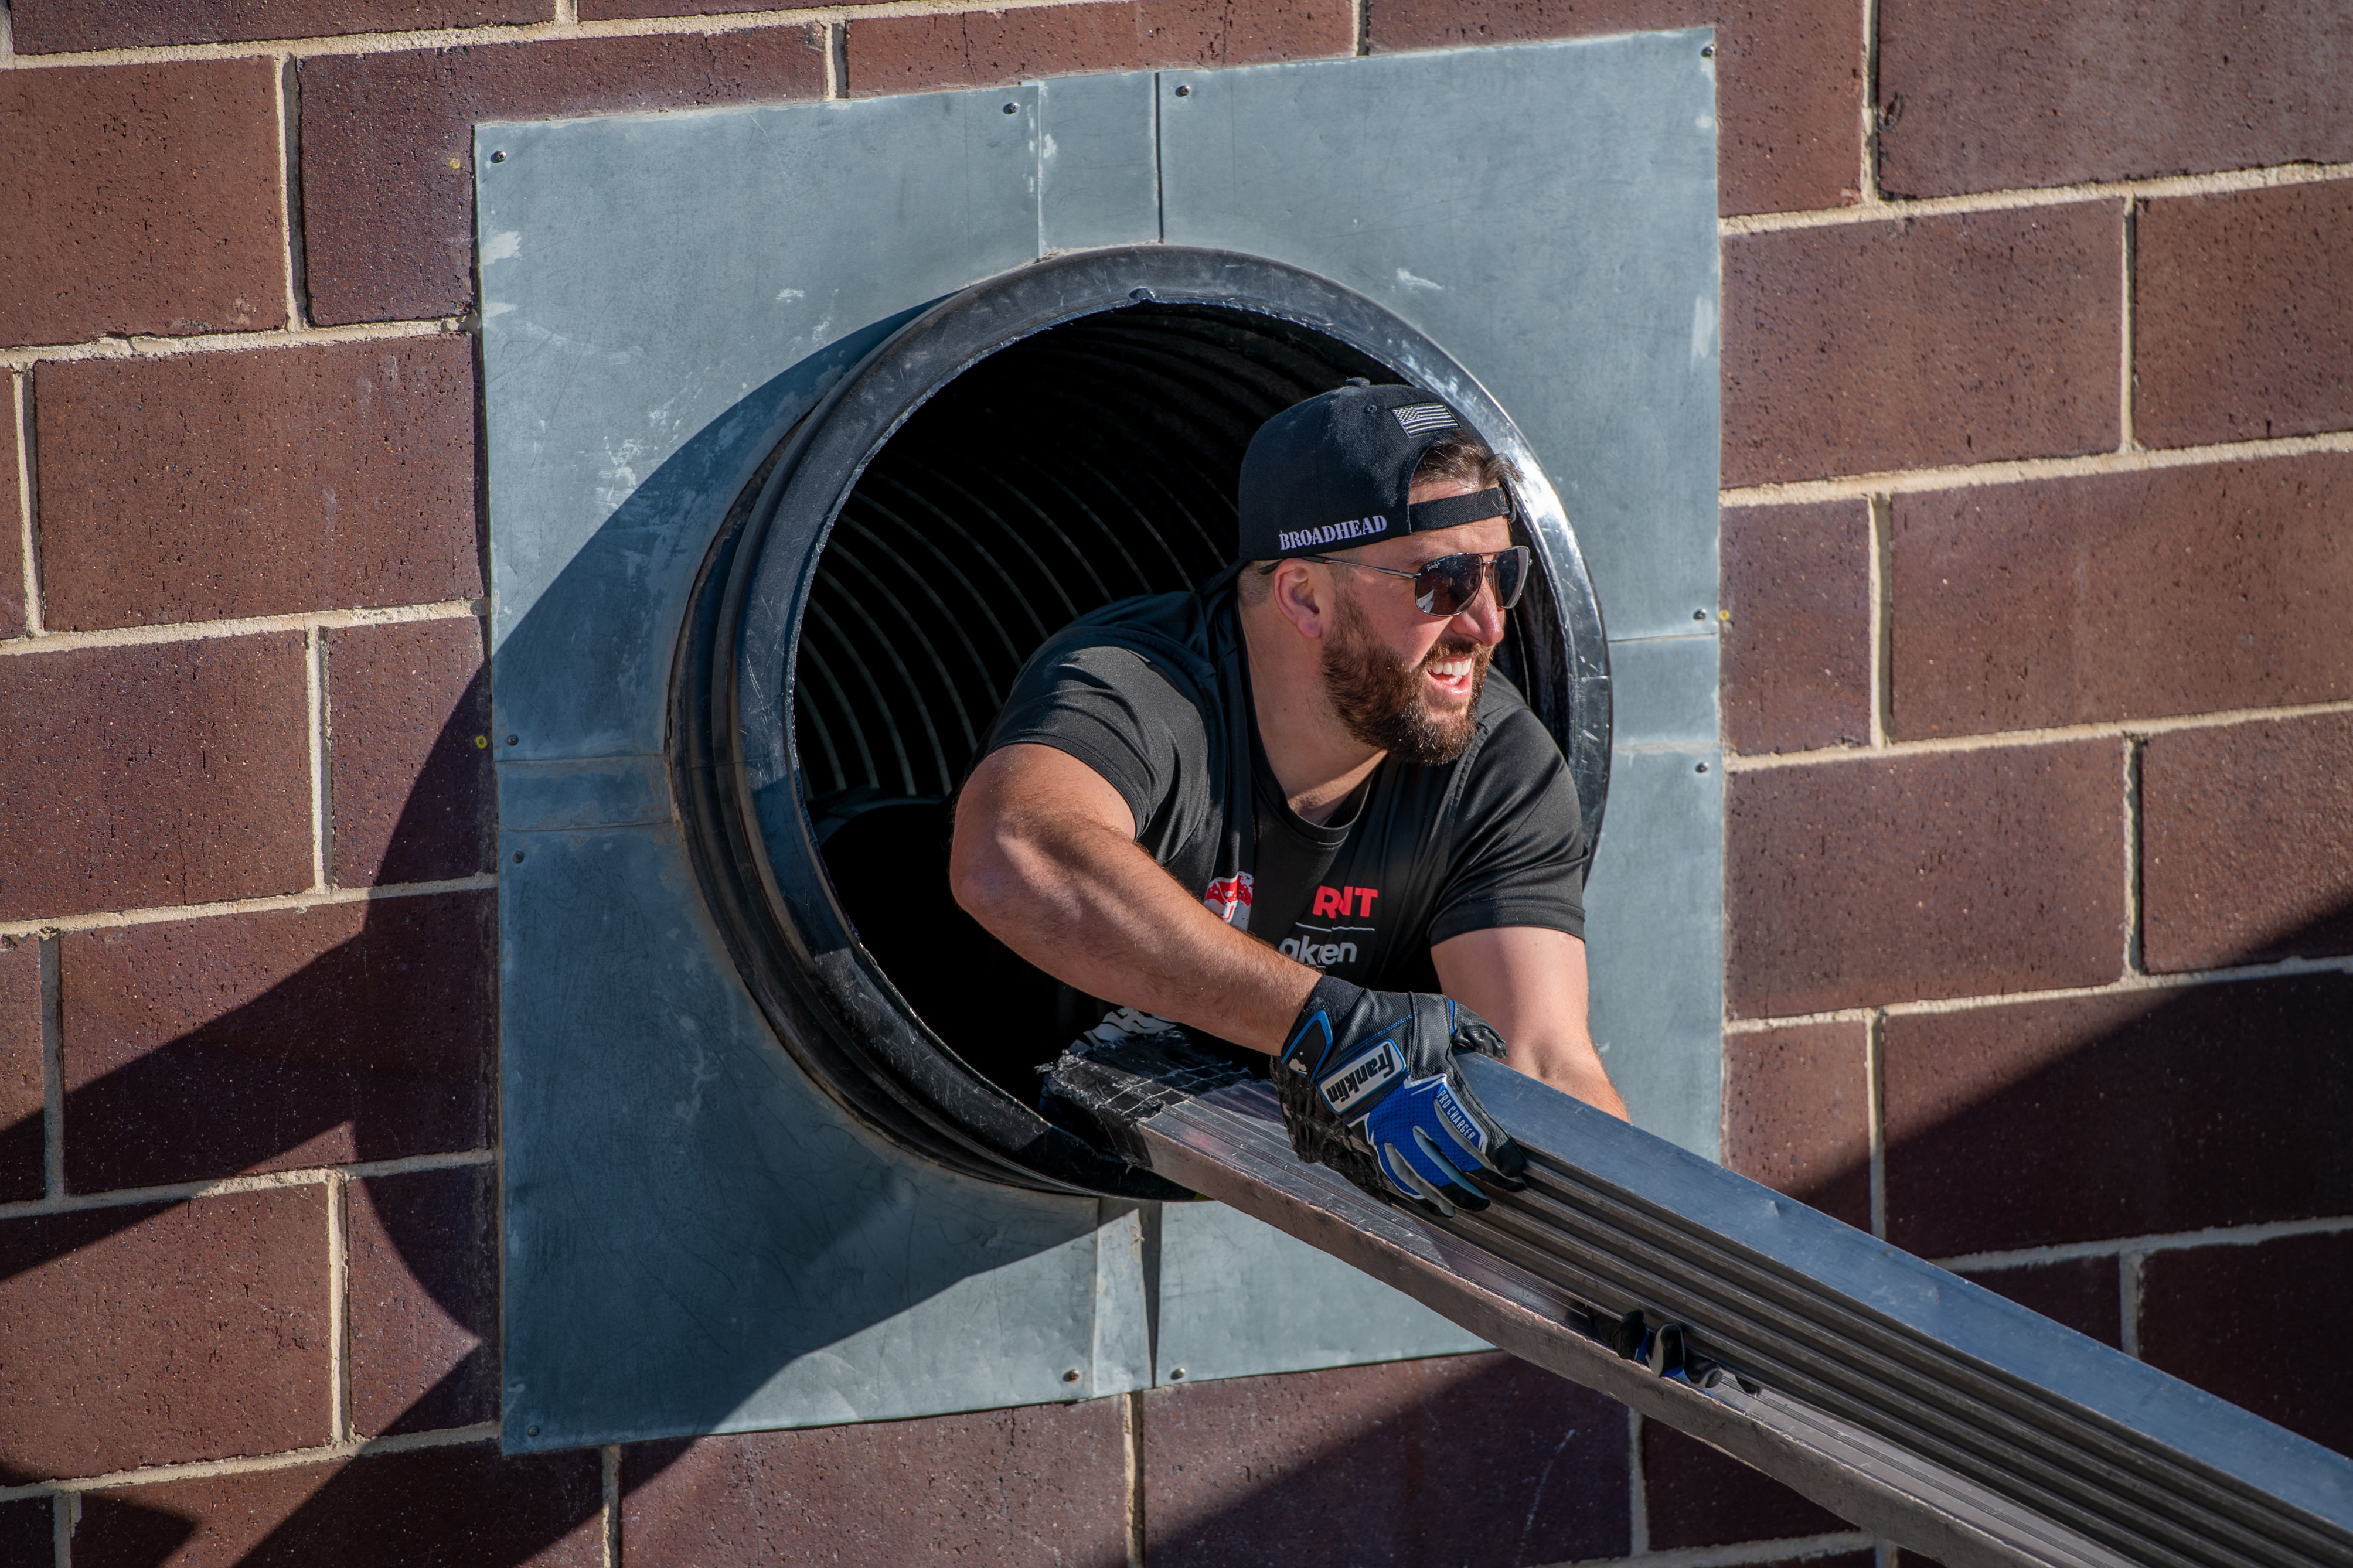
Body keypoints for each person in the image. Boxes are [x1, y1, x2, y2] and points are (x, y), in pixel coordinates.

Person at [950, 381, 1626, 1218]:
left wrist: (1644, 1274)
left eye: (1503, 573)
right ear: (1304, 596)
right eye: (1443, 582)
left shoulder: (1497, 765)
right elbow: (1011, 853)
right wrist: (1323, 1024)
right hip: (960, 1120)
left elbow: (1544, 1068)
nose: (1487, 625)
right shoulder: (1142, 687)